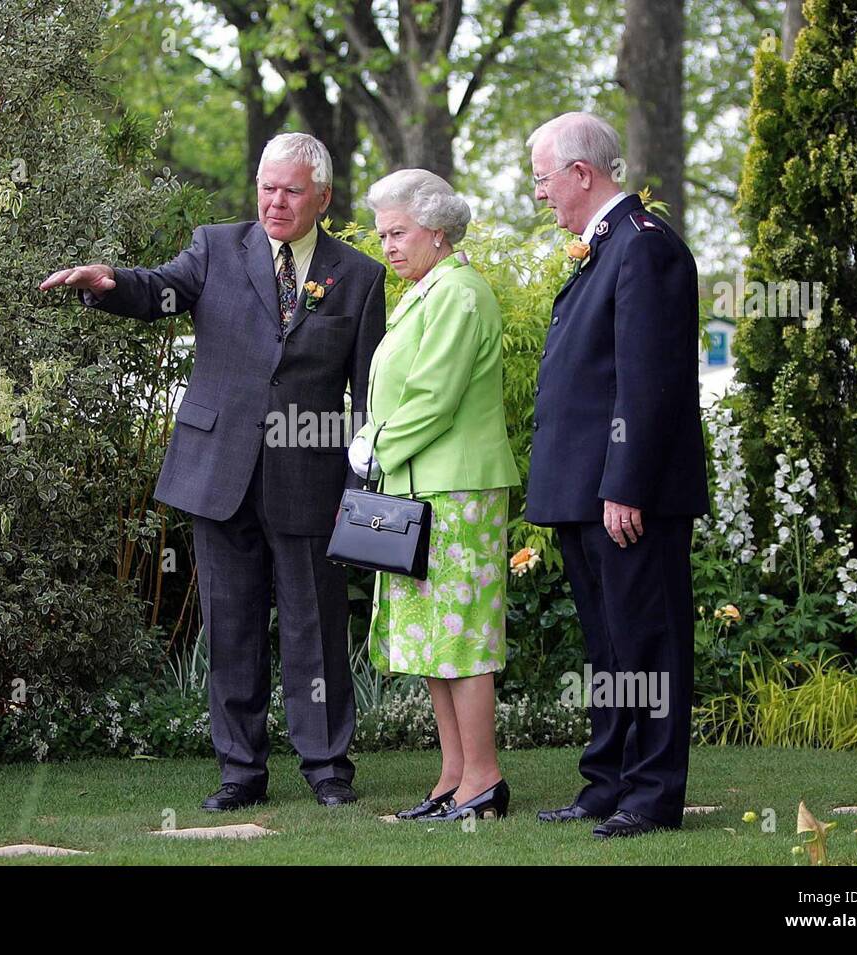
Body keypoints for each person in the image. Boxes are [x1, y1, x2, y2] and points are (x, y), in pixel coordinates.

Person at [40, 133, 386, 811]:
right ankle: (240, 773)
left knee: (316, 627)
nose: (274, 201)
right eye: (265, 186)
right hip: (218, 472)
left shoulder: (360, 275)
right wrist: (110, 284)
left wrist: (360, 489)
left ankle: (327, 770)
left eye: (290, 190)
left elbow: (372, 394)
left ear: (322, 196)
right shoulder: (216, 247)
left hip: (310, 480)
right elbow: (159, 290)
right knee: (231, 627)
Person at [524, 112, 709, 838]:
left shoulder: (645, 248)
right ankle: (607, 780)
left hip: (628, 495)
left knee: (649, 642)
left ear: (581, 173)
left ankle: (653, 792)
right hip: (585, 489)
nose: (540, 194)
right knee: (609, 645)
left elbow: (650, 380)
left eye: (543, 178)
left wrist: (624, 484)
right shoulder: (606, 248)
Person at [349, 169, 521, 821]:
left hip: (457, 487)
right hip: (424, 484)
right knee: (433, 639)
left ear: (440, 232)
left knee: (463, 636)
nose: (387, 245)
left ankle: (483, 778)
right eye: (382, 233)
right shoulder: (429, 290)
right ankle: (454, 775)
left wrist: (375, 442)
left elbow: (435, 396)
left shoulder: (458, 293)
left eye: (398, 232)